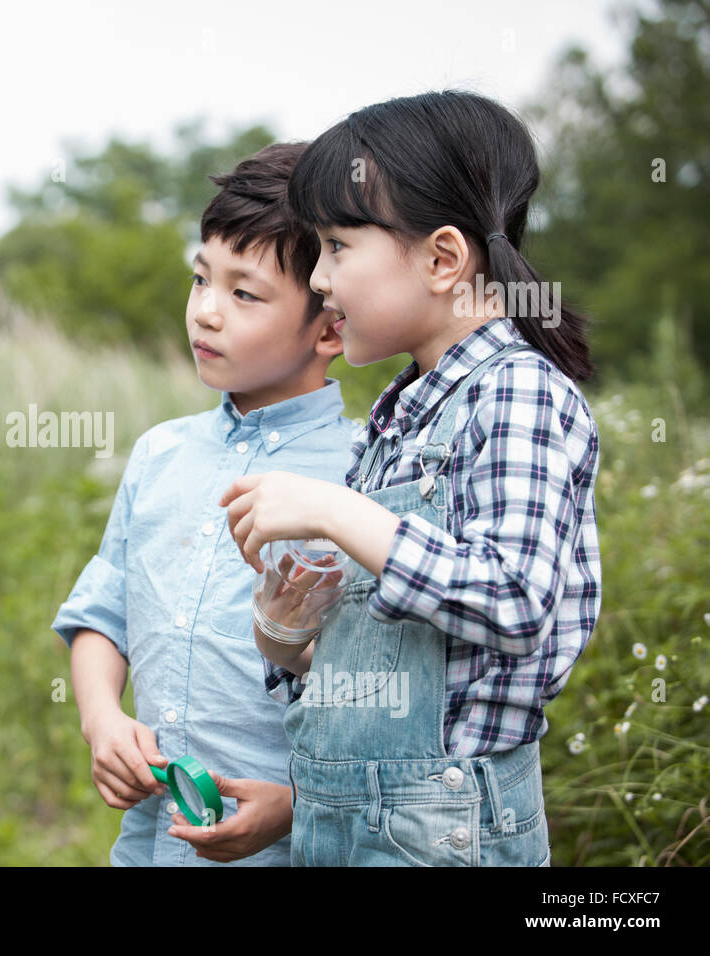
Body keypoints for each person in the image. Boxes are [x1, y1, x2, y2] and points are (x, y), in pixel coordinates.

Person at [221, 90, 601, 866]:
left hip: (441, 826)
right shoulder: (402, 415)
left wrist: (332, 510)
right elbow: (405, 658)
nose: (320, 279)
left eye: (335, 247)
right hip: (342, 817)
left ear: (442, 259)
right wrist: (293, 638)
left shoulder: (517, 392)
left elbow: (515, 599)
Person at [52, 143, 357, 865]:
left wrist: (294, 802)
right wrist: (101, 721)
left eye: (244, 294)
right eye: (200, 280)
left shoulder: (364, 476)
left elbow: (387, 690)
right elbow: (104, 613)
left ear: (330, 327)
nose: (206, 313)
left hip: (303, 845)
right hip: (152, 841)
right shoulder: (161, 453)